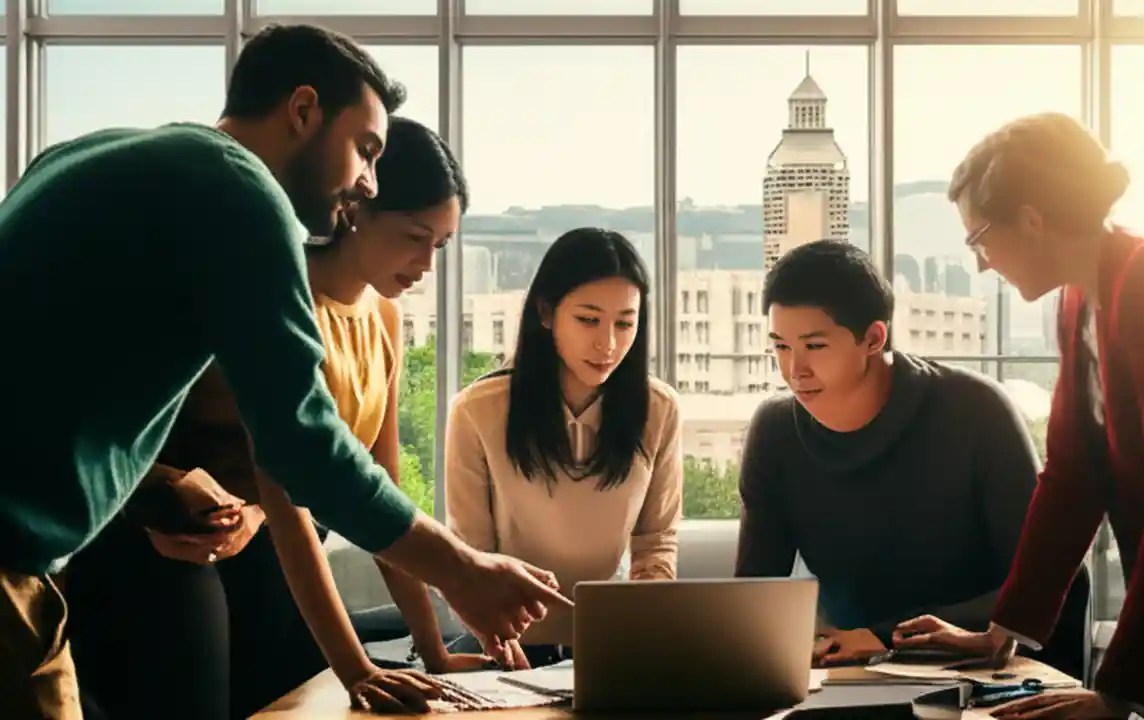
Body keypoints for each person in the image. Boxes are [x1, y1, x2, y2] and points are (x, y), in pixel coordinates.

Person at [0, 23, 564, 720]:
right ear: (303, 111)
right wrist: (462, 570)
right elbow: (300, 442)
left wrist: (145, 490)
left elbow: (55, 377)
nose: (369, 183)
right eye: (365, 149)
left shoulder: (93, 156)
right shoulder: (244, 196)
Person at [66, 117, 491, 719]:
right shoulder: (273, 296)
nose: (426, 262)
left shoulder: (385, 319)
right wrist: (357, 670)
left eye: (440, 246)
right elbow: (283, 485)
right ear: (354, 210)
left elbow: (383, 488)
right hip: (173, 537)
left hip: (272, 544)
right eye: (413, 237)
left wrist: (434, 651)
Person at [893, 112, 1144, 719]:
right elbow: (1072, 475)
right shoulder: (1081, 299)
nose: (981, 263)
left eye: (979, 238)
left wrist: (1116, 692)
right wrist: (1005, 631)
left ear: (1032, 218)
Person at [735, 239, 1087, 677]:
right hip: (851, 675)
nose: (794, 370)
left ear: (873, 338)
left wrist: (883, 637)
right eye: (781, 347)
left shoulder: (974, 410)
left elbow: (1054, 585)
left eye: (815, 346)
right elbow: (752, 597)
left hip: (979, 670)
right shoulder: (774, 430)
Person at [445, 227, 683, 668]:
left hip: (606, 640)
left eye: (625, 323)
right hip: (503, 641)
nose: (608, 344)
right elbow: (472, 555)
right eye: (588, 320)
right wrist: (497, 638)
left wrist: (648, 622)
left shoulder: (659, 409)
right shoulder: (478, 411)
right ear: (547, 312)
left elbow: (655, 540)